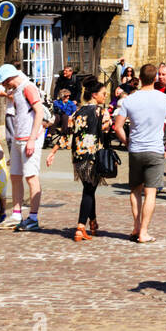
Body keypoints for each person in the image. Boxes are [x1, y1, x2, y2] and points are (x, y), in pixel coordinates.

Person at [112, 63, 166, 242]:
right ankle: (144, 231)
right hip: (155, 149)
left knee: (135, 190)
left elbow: (117, 127)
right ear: (156, 78)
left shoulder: (130, 99)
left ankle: (136, 226)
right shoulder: (164, 99)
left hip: (136, 149)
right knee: (151, 193)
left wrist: (127, 142)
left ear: (139, 78)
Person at [46, 78, 113, 239]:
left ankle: (93, 222)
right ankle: (80, 226)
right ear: (95, 95)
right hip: (93, 157)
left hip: (78, 157)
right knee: (89, 192)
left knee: (89, 189)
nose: (105, 97)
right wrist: (108, 125)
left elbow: (66, 134)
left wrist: (53, 152)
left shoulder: (77, 112)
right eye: (103, 94)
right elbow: (106, 128)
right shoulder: (100, 111)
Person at [0, 64, 45, 232]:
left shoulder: (28, 87)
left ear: (10, 78)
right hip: (18, 137)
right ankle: (16, 215)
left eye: (5, 82)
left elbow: (39, 112)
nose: (5, 85)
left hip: (29, 138)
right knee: (15, 176)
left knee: (31, 177)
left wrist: (31, 139)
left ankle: (33, 217)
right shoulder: (16, 90)